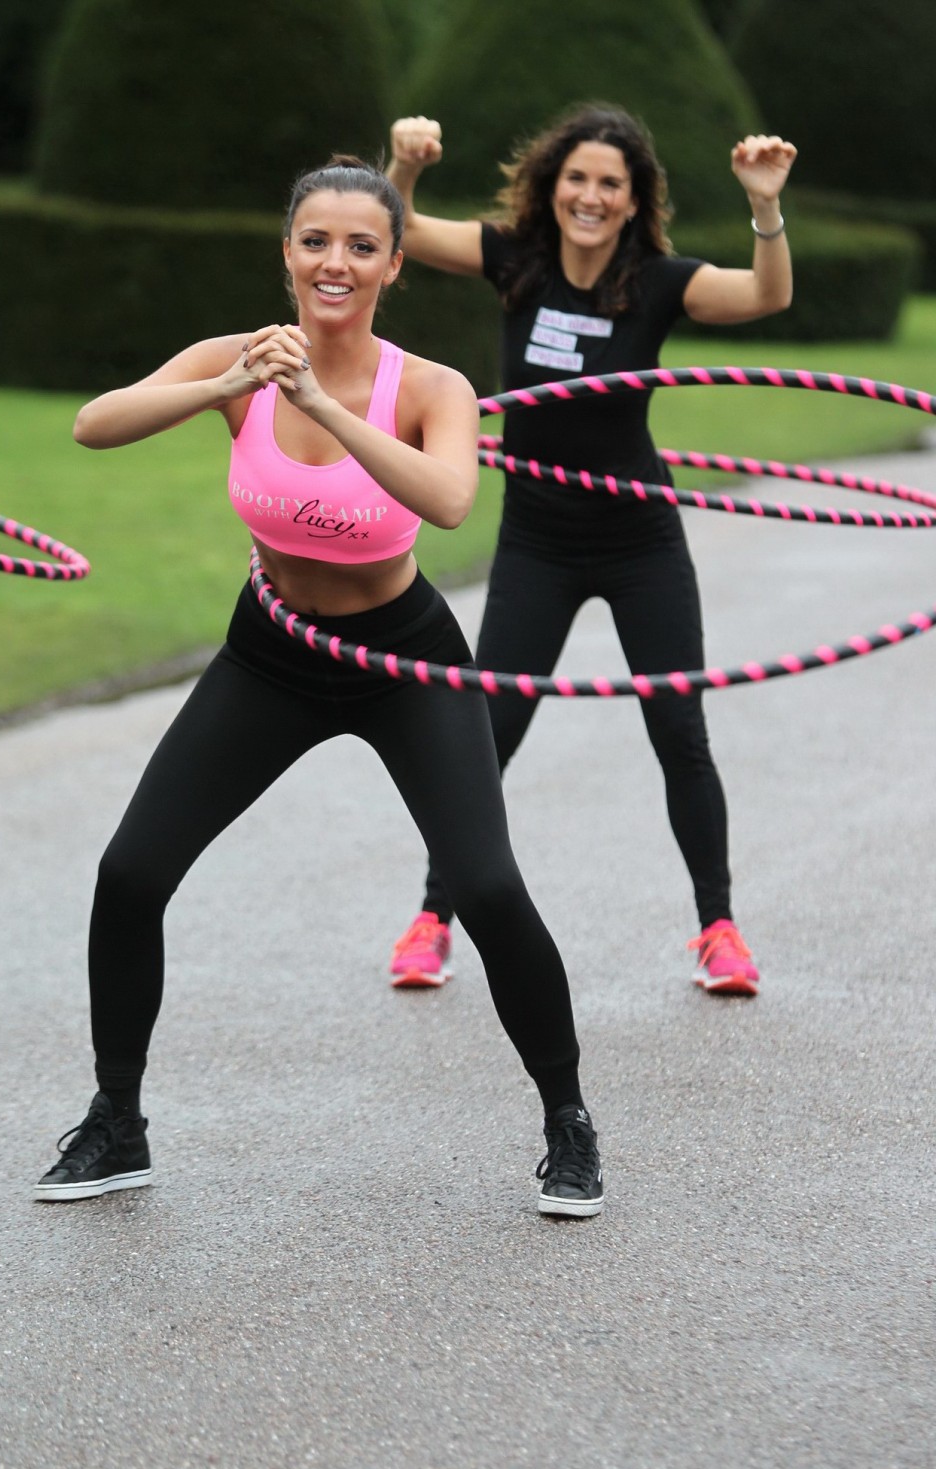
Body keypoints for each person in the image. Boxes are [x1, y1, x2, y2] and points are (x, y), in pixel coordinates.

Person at [33, 156, 603, 1218]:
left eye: (358, 245)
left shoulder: (432, 387)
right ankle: (117, 1121)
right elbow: (92, 423)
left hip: (407, 660)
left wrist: (323, 407)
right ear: (286, 253)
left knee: (482, 886)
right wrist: (229, 387)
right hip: (273, 653)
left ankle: (567, 1123)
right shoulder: (235, 362)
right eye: (314, 241)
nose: (332, 262)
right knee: (131, 870)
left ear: (392, 264)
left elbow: (444, 501)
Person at [385, 106, 797, 997]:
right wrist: (403, 165)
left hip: (638, 538)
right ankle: (430, 917)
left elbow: (767, 296)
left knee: (678, 730)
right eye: (578, 177)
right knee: (488, 733)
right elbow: (399, 231)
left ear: (633, 199)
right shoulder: (515, 261)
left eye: (611, 182)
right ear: (552, 184)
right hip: (537, 539)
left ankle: (719, 929)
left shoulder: (657, 281)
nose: (591, 195)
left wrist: (765, 208)